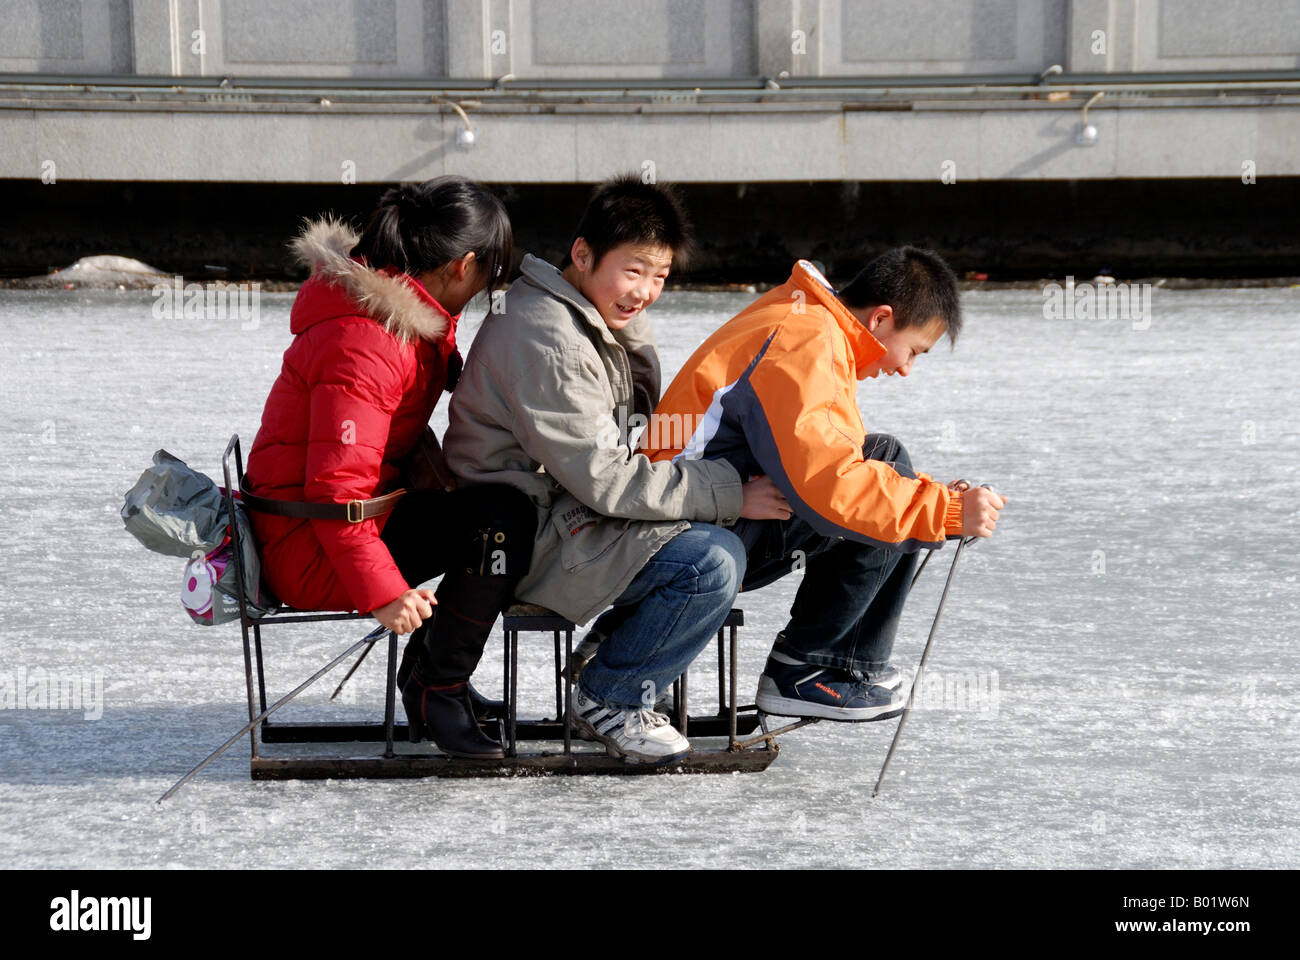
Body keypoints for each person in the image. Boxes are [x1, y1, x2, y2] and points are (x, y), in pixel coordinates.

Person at [442, 174, 790, 765]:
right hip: (526, 534)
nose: (646, 291)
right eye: (634, 270)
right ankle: (611, 696)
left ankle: (633, 641)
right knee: (712, 560)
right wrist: (730, 490)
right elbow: (605, 477)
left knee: (776, 502)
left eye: (659, 276)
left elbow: (646, 434)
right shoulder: (549, 338)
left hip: (576, 507)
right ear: (582, 255)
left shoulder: (602, 315)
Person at [618, 247, 1009, 721]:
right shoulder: (807, 340)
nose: (906, 369)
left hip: (696, 512)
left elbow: (825, 463)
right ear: (882, 318)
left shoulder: (805, 318)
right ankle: (811, 667)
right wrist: (945, 511)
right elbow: (830, 488)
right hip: (673, 536)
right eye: (914, 351)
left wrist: (934, 500)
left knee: (884, 459)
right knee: (889, 468)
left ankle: (829, 662)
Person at [242, 176, 534, 760]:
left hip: (344, 523)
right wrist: (382, 594)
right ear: (462, 266)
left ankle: (432, 675)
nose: (484, 295)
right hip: (311, 546)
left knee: (501, 507)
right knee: (501, 522)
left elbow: (456, 382)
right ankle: (436, 688)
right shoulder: (368, 342)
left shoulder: (405, 315)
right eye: (487, 280)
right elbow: (335, 489)